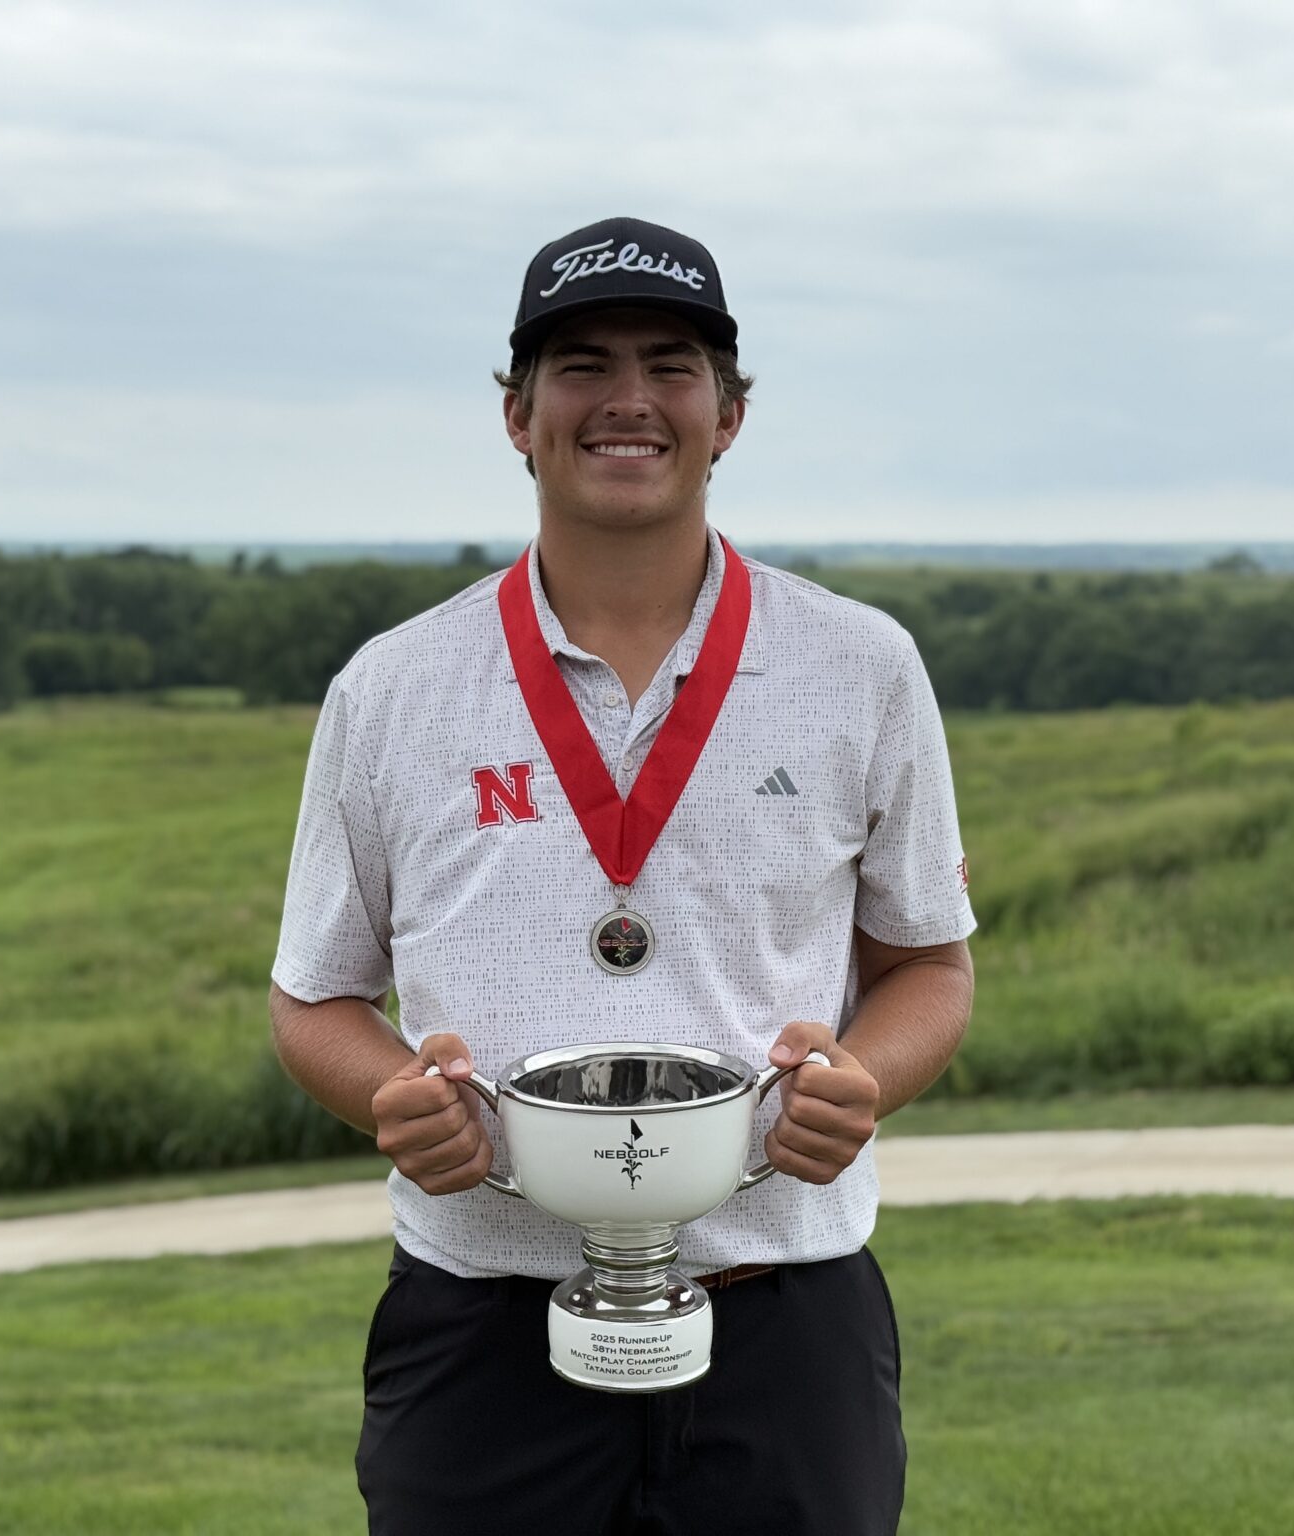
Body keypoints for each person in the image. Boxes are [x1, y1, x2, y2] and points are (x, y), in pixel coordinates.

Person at [269, 215, 977, 1536]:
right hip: (481, 1319)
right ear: (518, 413)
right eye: (584, 366)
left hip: (786, 1308)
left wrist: (867, 1078)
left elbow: (929, 964)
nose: (630, 401)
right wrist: (395, 1099)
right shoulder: (395, 688)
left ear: (731, 414)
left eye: (673, 364)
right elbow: (312, 999)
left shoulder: (861, 667)